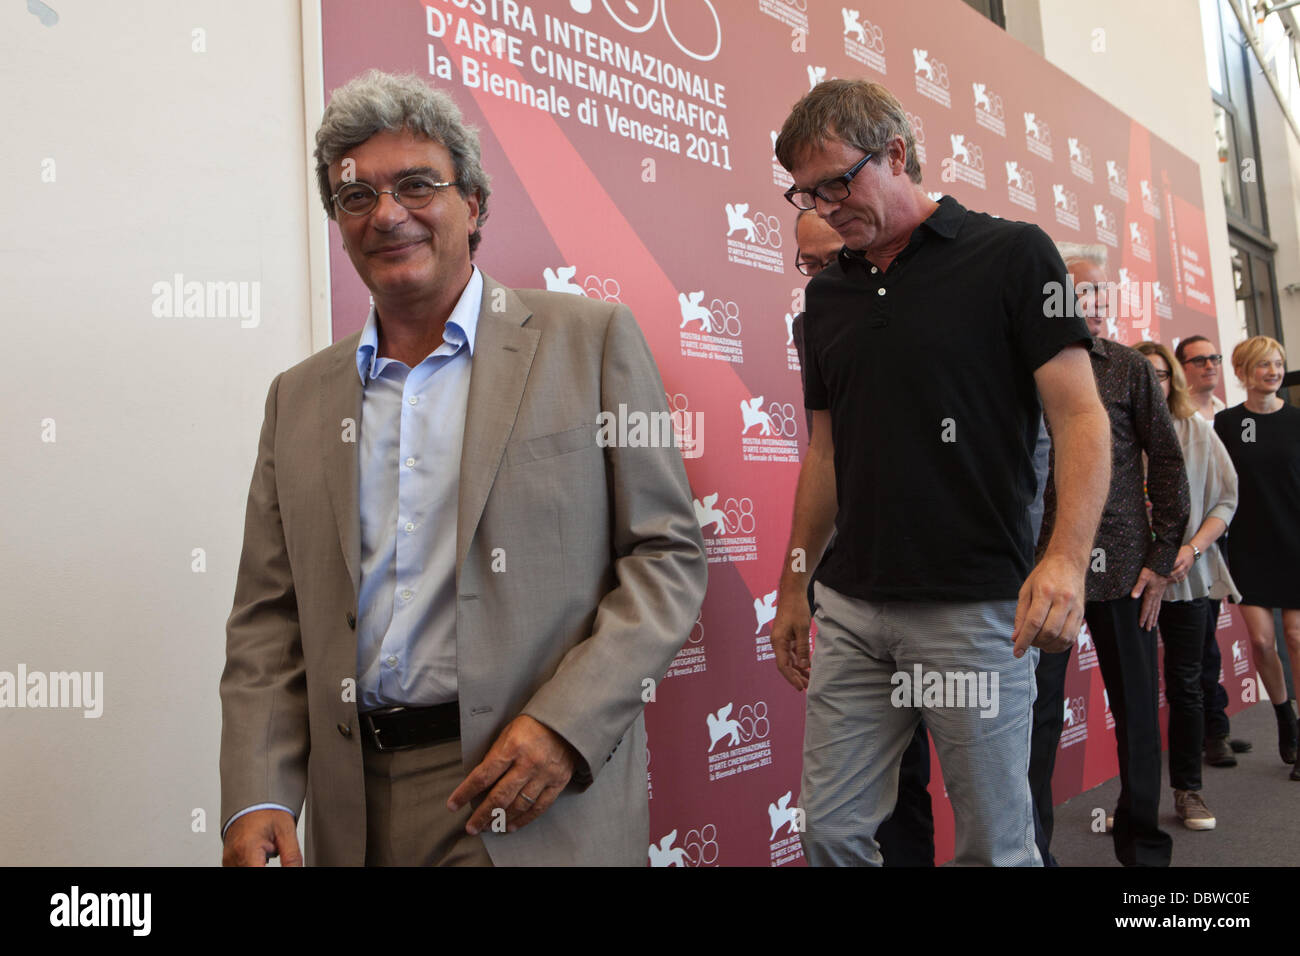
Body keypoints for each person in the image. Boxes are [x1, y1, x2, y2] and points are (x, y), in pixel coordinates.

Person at [219, 70, 707, 866]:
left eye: (417, 184)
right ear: (339, 224)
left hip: (536, 798)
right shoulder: (297, 399)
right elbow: (269, 620)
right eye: (356, 197)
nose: (387, 214)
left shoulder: (591, 342)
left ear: (472, 204)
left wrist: (565, 725)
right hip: (355, 817)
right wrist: (258, 791)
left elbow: (667, 557)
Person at [769, 79, 1110, 867]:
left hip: (976, 609)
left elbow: (1081, 416)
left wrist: (1063, 557)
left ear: (895, 152)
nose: (822, 208)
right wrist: (795, 583)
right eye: (805, 193)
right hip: (853, 608)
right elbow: (824, 452)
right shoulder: (825, 301)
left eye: (835, 182)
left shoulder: (1014, 254)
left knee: (994, 846)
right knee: (830, 834)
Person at [1030, 244, 1189, 867]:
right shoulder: (1028, 366)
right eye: (1079, 290)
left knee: (1137, 720)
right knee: (1035, 724)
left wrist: (1161, 554)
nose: (1091, 302)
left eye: (1101, 292)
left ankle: (1144, 853)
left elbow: (1168, 461)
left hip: (1123, 570)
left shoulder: (1128, 368)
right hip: (1045, 571)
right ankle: (1031, 854)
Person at [791, 207, 935, 867]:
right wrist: (796, 585)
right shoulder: (818, 319)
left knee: (1000, 821)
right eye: (809, 264)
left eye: (833, 257)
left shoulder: (955, 292)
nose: (822, 275)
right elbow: (825, 456)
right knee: (848, 817)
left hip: (965, 591)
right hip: (855, 592)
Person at [1136, 340, 1241, 829]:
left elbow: (1225, 501)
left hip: (1186, 578)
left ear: (1171, 380)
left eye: (1160, 374)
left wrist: (1191, 548)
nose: (1152, 382)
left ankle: (1188, 791)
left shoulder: (1196, 431)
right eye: (1143, 373)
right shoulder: (1109, 431)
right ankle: (1134, 805)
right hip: (1127, 582)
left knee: (1185, 687)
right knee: (1133, 694)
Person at [1214, 335, 1300, 780]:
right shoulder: (1227, 424)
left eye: (1279, 363)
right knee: (1263, 642)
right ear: (1244, 372)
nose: (1273, 371)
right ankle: (1286, 719)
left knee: (1297, 637)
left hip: (1296, 543)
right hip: (1248, 546)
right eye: (1264, 364)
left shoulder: (1297, 421)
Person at [1175, 335, 1251, 766]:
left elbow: (1229, 488)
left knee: (1208, 641)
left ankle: (1215, 726)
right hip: (1183, 540)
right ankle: (1209, 733)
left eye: (1215, 358)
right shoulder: (1176, 416)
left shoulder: (1226, 414)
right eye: (1199, 359)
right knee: (1196, 644)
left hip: (1219, 536)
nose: (1209, 365)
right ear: (1181, 366)